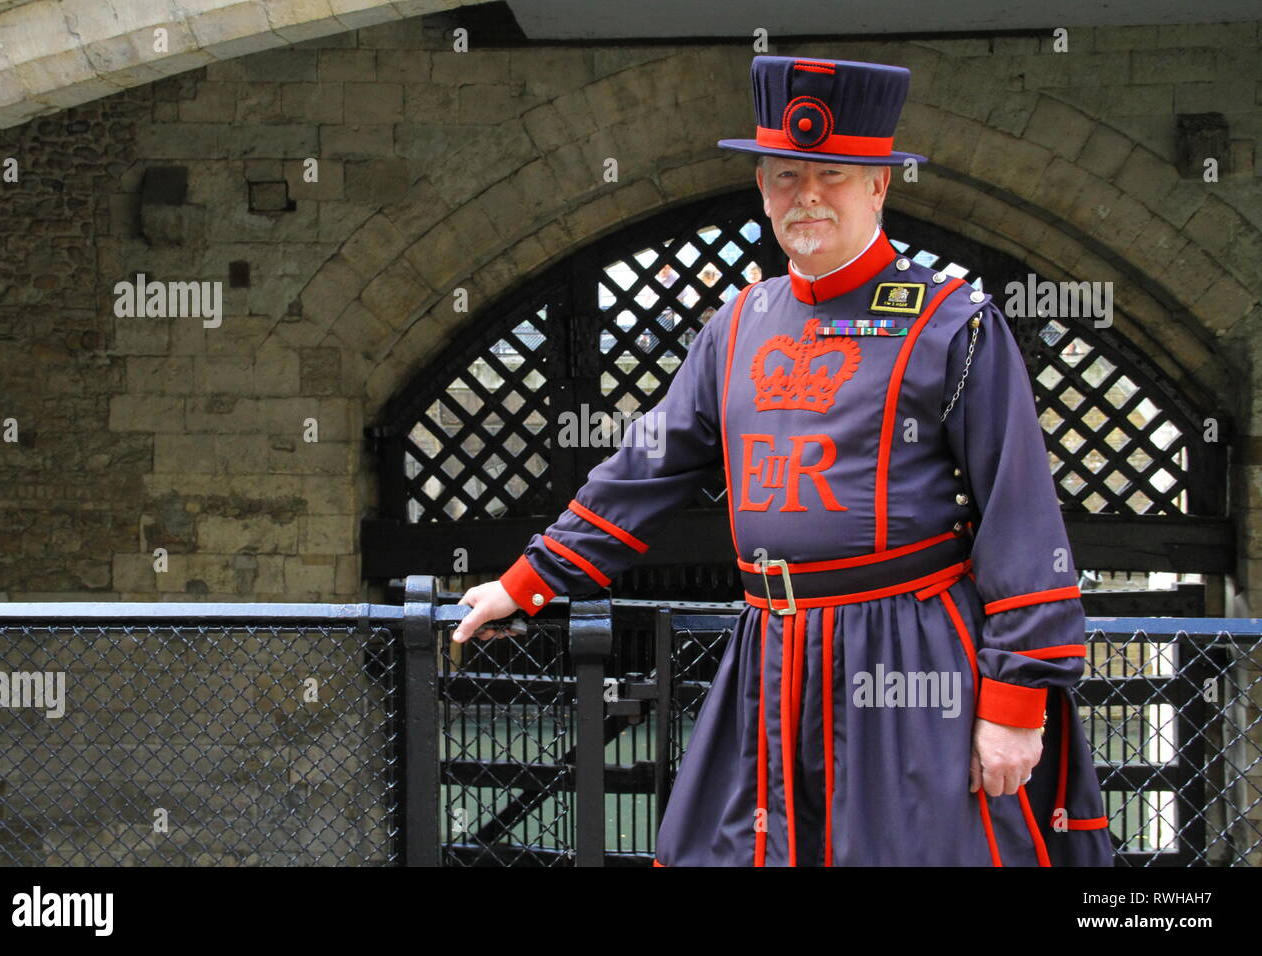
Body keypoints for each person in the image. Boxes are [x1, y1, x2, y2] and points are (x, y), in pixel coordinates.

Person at [453, 55, 1114, 866]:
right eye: (783, 175)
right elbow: (647, 468)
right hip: (769, 657)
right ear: (762, 186)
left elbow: (1021, 516)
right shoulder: (735, 328)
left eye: (832, 174)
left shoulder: (955, 324)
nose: (806, 196)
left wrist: (1016, 703)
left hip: (912, 665)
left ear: (879, 186)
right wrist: (530, 580)